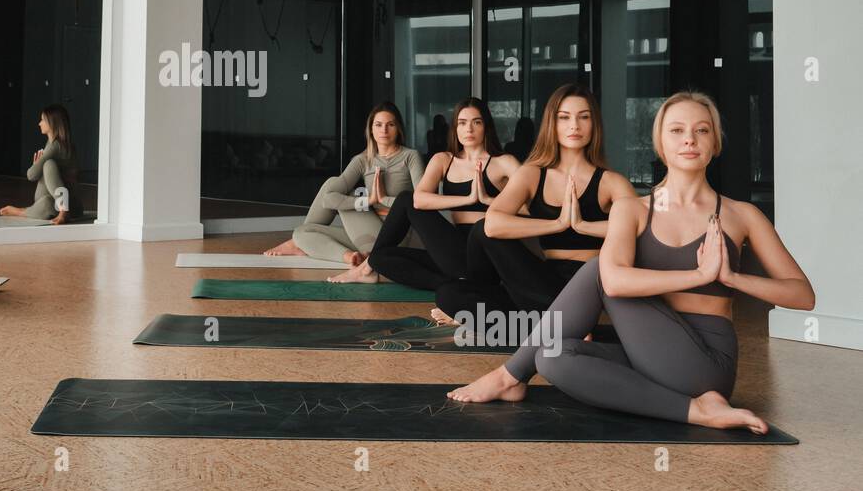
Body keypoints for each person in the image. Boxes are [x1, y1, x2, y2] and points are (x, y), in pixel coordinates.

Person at [448, 91, 816, 434]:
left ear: (715, 143)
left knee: (598, 270)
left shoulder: (742, 215)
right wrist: (699, 274)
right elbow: (616, 284)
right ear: (661, 143)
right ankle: (695, 409)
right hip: (645, 350)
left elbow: (802, 296)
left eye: (701, 130)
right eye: (677, 130)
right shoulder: (633, 209)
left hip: (704, 360)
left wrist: (731, 277)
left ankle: (509, 376)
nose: (689, 139)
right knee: (552, 357)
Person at [434, 84, 635, 324]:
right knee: (449, 294)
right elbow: (493, 224)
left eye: (584, 117)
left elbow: (642, 230)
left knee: (475, 308)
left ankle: (547, 328)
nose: (574, 126)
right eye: (564, 118)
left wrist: (583, 226)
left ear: (594, 125)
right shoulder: (532, 174)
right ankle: (552, 330)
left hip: (587, 282)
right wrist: (558, 223)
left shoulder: (611, 182)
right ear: (552, 123)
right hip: (541, 281)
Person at [330, 97, 520, 287]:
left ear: (486, 126)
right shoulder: (444, 160)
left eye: (476, 122)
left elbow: (529, 210)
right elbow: (419, 200)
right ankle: (456, 284)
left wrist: (487, 200)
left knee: (404, 203)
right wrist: (467, 198)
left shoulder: (505, 162)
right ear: (455, 128)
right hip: (456, 249)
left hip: (487, 252)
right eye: (462, 123)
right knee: (380, 257)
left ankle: (365, 269)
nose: (468, 129)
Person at [265, 102, 424, 264]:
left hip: (394, 234)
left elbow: (421, 201)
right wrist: (368, 201)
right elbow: (328, 199)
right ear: (371, 129)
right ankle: (349, 256)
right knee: (301, 231)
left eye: (390, 125)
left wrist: (383, 199)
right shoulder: (363, 159)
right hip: (364, 232)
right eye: (378, 125)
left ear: (398, 129)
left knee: (349, 194)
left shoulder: (410, 156)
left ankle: (303, 246)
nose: (383, 130)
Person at [0, 104, 82, 224]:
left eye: (43, 120)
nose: (39, 123)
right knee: (47, 203)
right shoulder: (61, 144)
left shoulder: (54, 147)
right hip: (74, 207)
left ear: (52, 123)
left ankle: (23, 212)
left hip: (64, 206)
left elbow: (31, 175)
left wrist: (37, 164)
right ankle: (35, 210)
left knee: (48, 164)